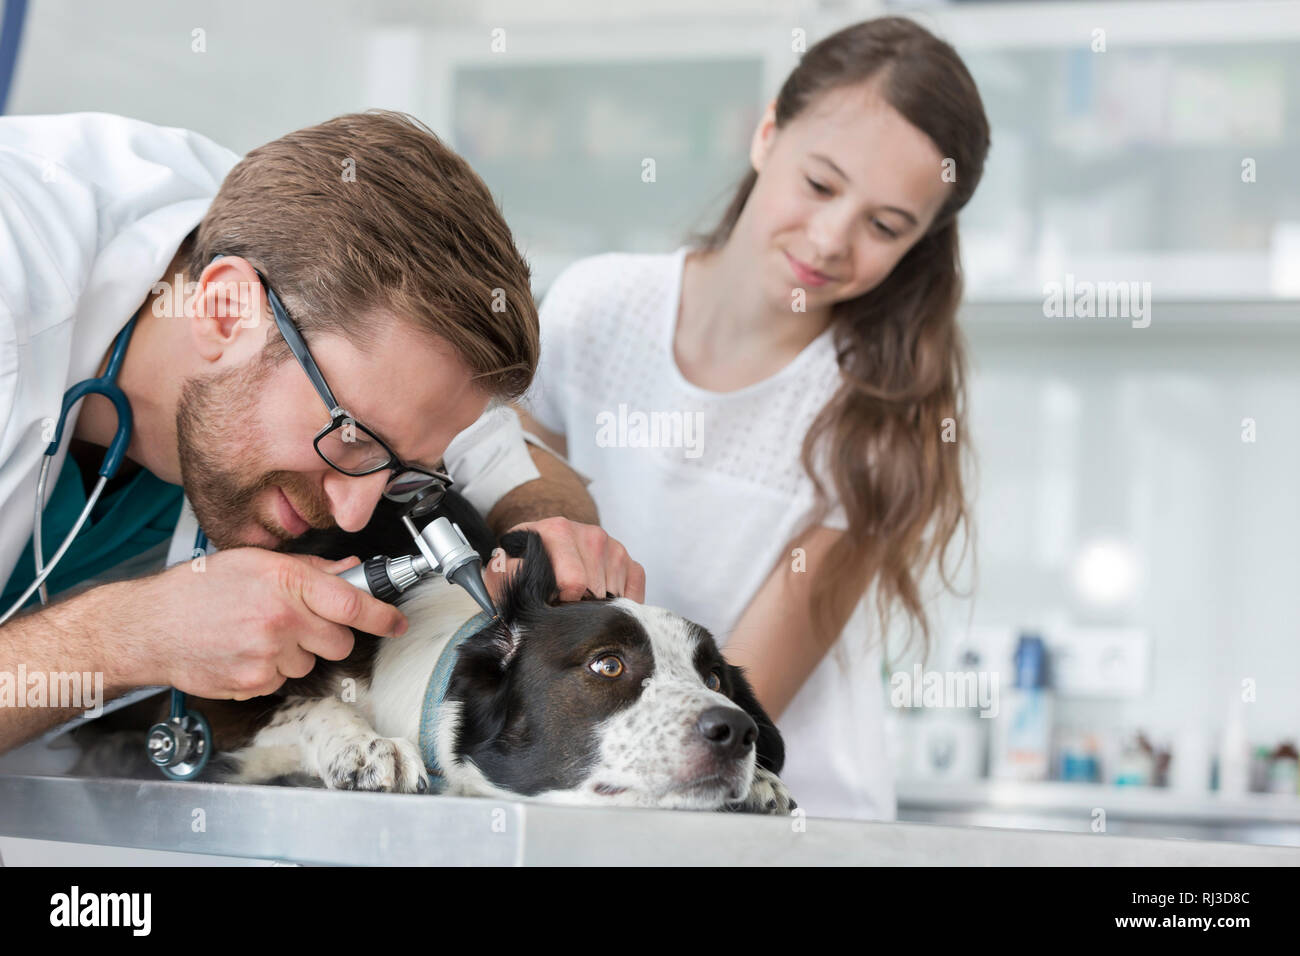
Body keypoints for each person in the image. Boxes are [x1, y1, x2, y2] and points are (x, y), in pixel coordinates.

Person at [0, 110, 643, 754]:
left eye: (401, 470)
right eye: (354, 439)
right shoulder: (17, 278)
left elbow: (512, 461)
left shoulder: (314, 256)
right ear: (225, 314)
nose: (357, 510)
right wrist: (127, 639)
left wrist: (550, 535)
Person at [515, 17, 990, 819]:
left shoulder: (876, 415)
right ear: (768, 133)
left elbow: (741, 704)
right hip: (612, 789)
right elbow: (529, 552)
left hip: (779, 808)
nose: (832, 238)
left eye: (885, 226)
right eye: (820, 183)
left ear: (920, 243)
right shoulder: (596, 309)